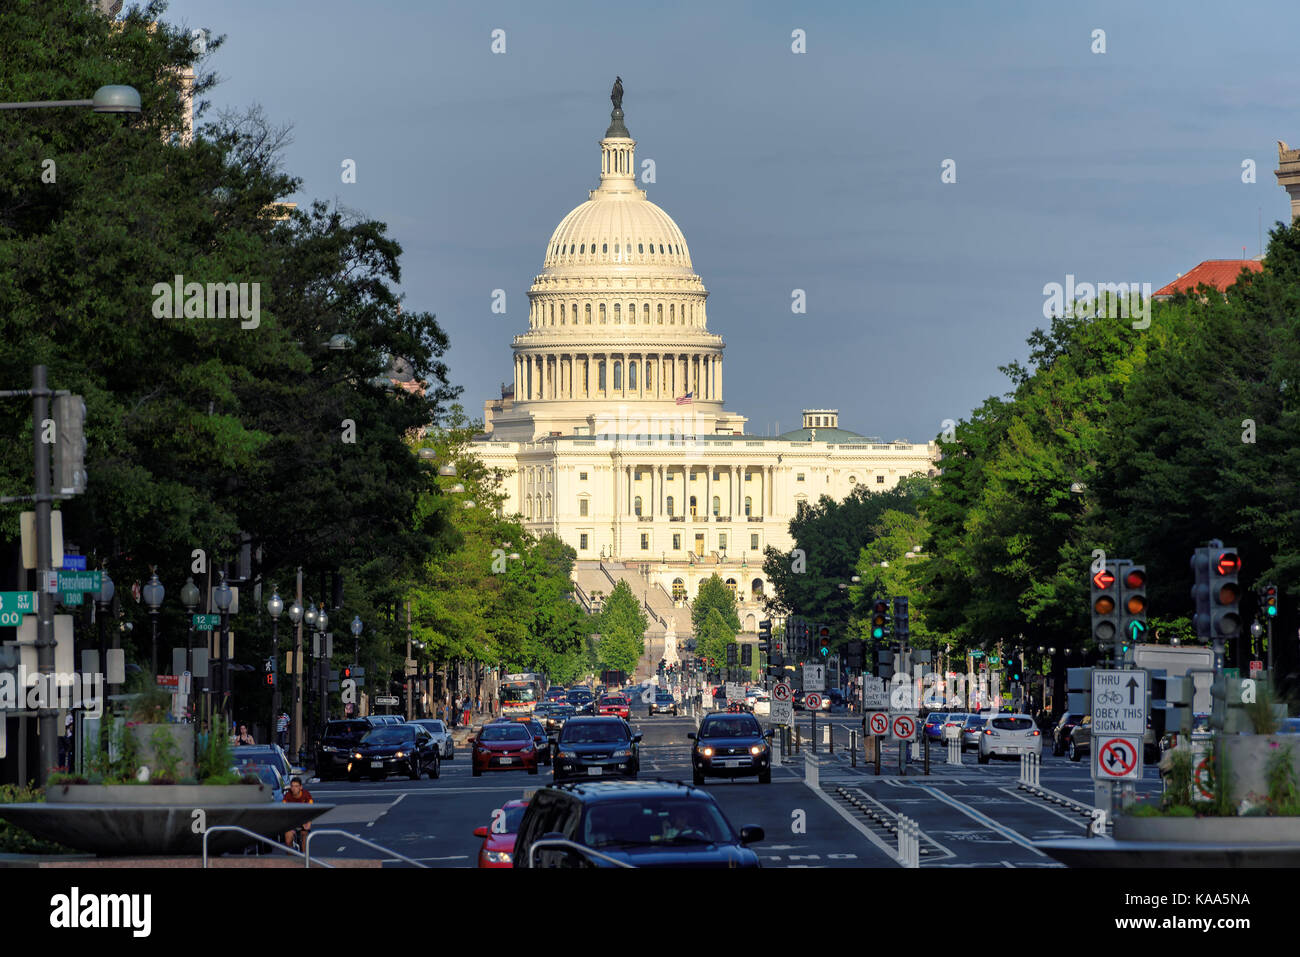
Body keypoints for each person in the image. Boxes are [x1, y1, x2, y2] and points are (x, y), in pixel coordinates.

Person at [282, 776, 314, 849]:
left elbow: (311, 809)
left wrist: (308, 823)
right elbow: (283, 810)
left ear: (301, 787)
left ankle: (304, 857)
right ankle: (290, 858)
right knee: (288, 839)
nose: (294, 788)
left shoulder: (306, 795)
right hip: (291, 821)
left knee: (304, 835)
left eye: (296, 786)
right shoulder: (287, 796)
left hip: (303, 819)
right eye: (292, 786)